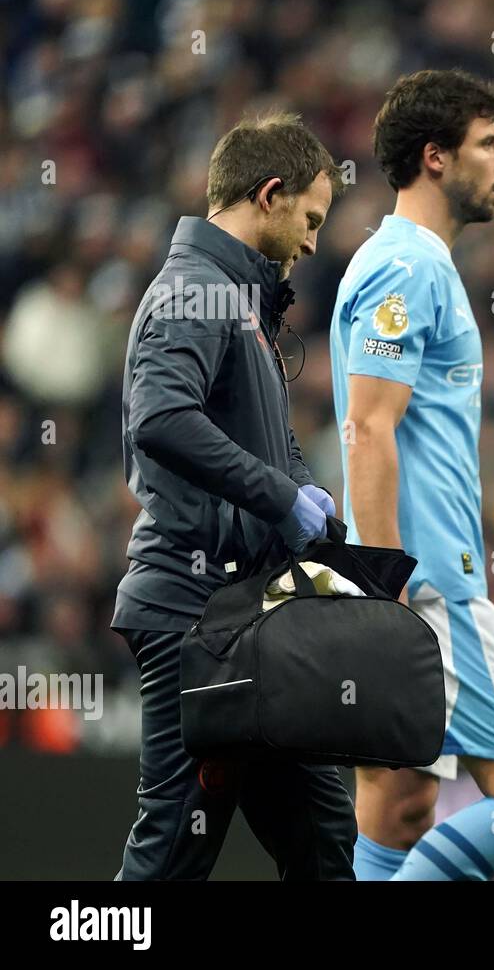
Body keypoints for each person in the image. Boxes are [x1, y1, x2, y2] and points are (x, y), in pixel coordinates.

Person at [331, 69, 494, 881]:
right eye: (489, 143)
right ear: (435, 157)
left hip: (407, 580)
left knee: (401, 808)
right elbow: (365, 427)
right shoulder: (408, 270)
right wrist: (388, 588)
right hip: (429, 588)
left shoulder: (407, 263)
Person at [113, 112, 350, 880]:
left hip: (250, 617)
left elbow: (271, 451)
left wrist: (310, 500)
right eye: (311, 219)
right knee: (176, 848)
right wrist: (282, 496)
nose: (314, 242)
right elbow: (162, 417)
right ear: (271, 194)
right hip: (194, 611)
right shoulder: (196, 290)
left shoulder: (242, 303)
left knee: (323, 839)